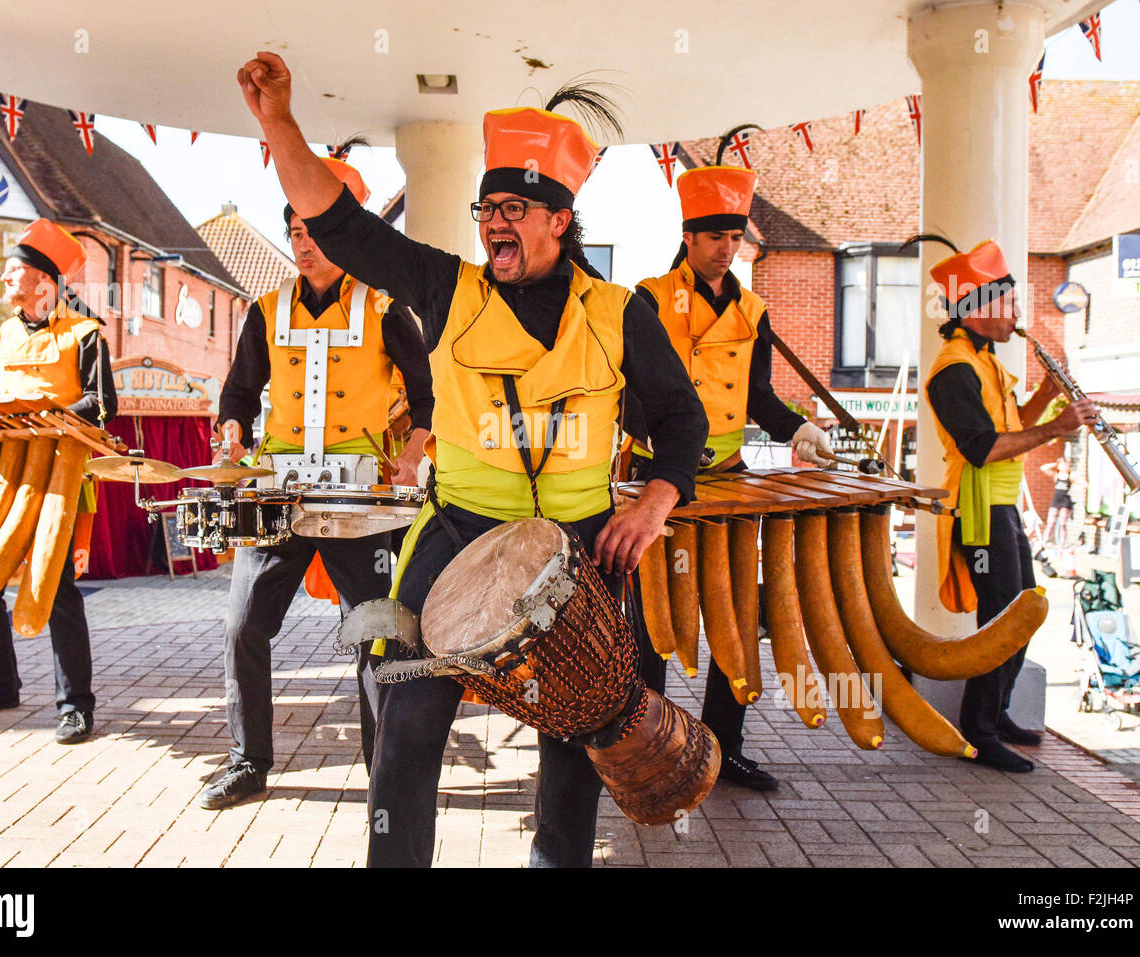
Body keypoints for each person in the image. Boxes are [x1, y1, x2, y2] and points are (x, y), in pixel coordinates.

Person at [237, 51, 708, 867]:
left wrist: (655, 499)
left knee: (575, 729)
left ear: (559, 219)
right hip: (455, 535)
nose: (495, 220)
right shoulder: (446, 286)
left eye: (515, 207)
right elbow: (348, 227)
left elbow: (681, 416)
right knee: (409, 722)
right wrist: (279, 123)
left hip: (577, 541)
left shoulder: (619, 311)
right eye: (486, 205)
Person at [202, 153, 434, 810]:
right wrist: (231, 434)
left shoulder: (386, 308)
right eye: (295, 231)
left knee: (374, 631)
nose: (303, 244)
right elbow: (239, 392)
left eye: (316, 231)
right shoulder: (266, 309)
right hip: (279, 491)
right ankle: (249, 761)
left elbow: (427, 394)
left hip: (358, 495)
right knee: (244, 624)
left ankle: (381, 770)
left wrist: (414, 452)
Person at [630, 140, 833, 791]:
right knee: (651, 624)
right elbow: (627, 391)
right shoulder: (648, 299)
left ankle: (727, 746)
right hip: (655, 478)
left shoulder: (753, 313)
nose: (726, 246)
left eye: (734, 235)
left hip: (728, 478)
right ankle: (646, 749)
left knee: (738, 614)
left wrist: (799, 428)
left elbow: (760, 398)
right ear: (688, 236)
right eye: (714, 234)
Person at [922, 238, 1097, 773]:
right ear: (976, 310)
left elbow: (1008, 423)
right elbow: (981, 446)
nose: (1018, 315)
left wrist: (1047, 395)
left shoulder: (985, 361)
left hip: (1001, 506)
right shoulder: (954, 367)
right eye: (1010, 304)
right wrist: (1057, 428)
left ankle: (995, 715)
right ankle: (977, 733)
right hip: (975, 510)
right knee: (1000, 618)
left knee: (1024, 611)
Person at [0, 218, 118, 746]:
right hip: (4, 473)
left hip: (60, 476)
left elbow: (102, 407)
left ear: (43, 279)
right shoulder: (3, 334)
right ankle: (0, 685)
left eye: (12, 270)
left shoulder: (85, 334)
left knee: (57, 588)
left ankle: (75, 706)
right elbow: (0, 399)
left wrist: (44, 415)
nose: (3, 279)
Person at [1040, 452, 1074, 550]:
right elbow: (1043, 468)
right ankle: (1045, 541)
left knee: (1063, 523)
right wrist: (1055, 464)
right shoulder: (1056, 476)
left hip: (1065, 502)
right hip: (1056, 501)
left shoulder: (1070, 477)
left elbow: (1083, 483)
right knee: (1051, 522)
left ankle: (1062, 544)